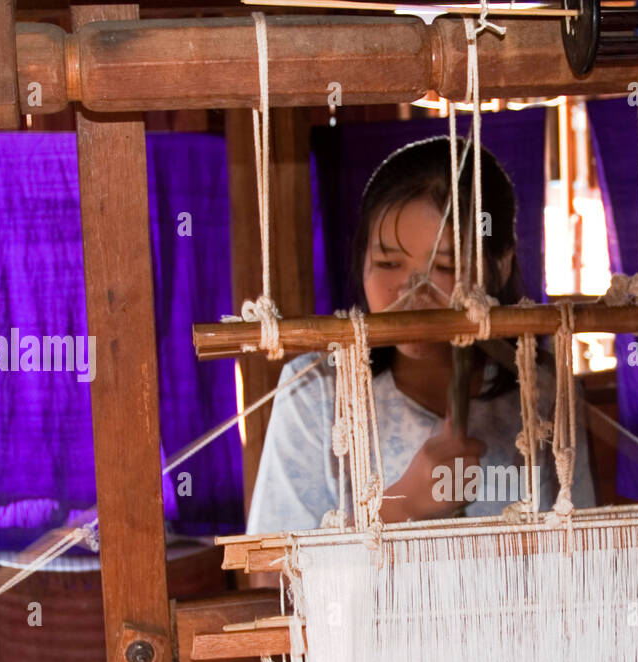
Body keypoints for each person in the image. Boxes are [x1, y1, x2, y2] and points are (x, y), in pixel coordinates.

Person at [246, 136, 595, 534]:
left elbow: (586, 555)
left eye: (444, 266)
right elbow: (273, 581)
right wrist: (403, 504)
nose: (411, 291)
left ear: (499, 264)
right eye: (387, 262)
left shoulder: (544, 392)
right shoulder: (316, 391)